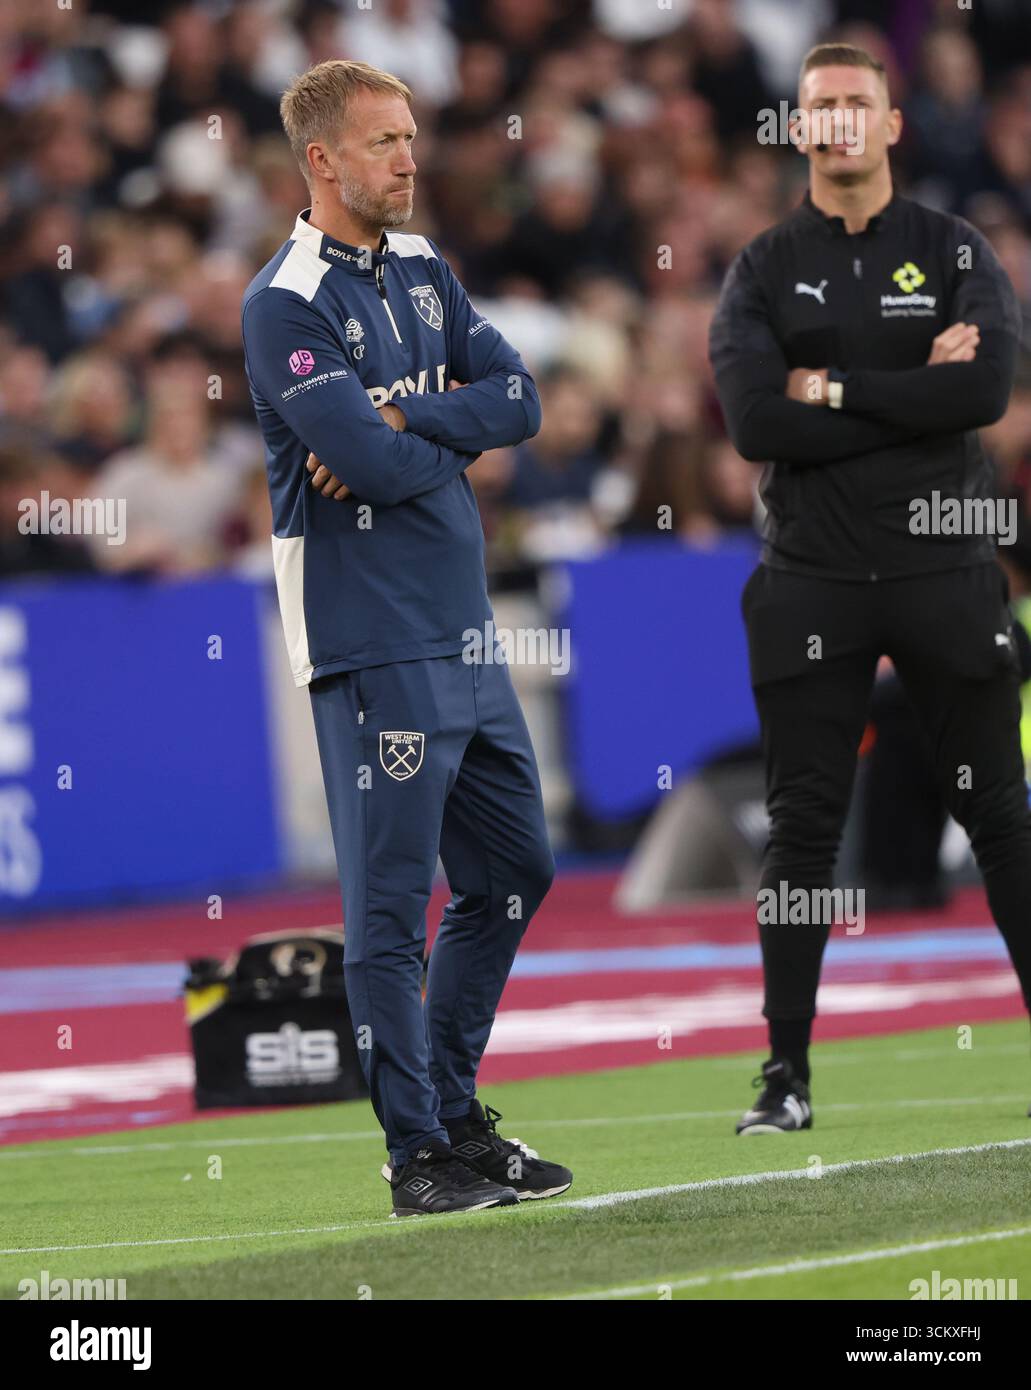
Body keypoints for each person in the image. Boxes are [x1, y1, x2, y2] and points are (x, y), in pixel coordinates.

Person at [241, 60, 571, 1214]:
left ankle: (457, 1114)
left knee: (516, 872)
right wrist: (440, 428)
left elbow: (525, 396)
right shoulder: (282, 300)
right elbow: (378, 465)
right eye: (384, 143)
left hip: (464, 632)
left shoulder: (425, 266)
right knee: (389, 910)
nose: (409, 160)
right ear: (322, 161)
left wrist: (403, 412)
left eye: (410, 138)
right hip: (370, 638)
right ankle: (413, 1155)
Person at [709, 42, 1031, 1135]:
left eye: (857, 104)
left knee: (1000, 814)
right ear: (795, 131)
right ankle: (784, 1073)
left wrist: (832, 385)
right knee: (801, 831)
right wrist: (910, 392)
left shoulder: (952, 248)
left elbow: (983, 389)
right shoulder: (759, 265)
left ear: (891, 125)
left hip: (944, 564)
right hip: (811, 580)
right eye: (819, 107)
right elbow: (755, 422)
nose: (838, 121)